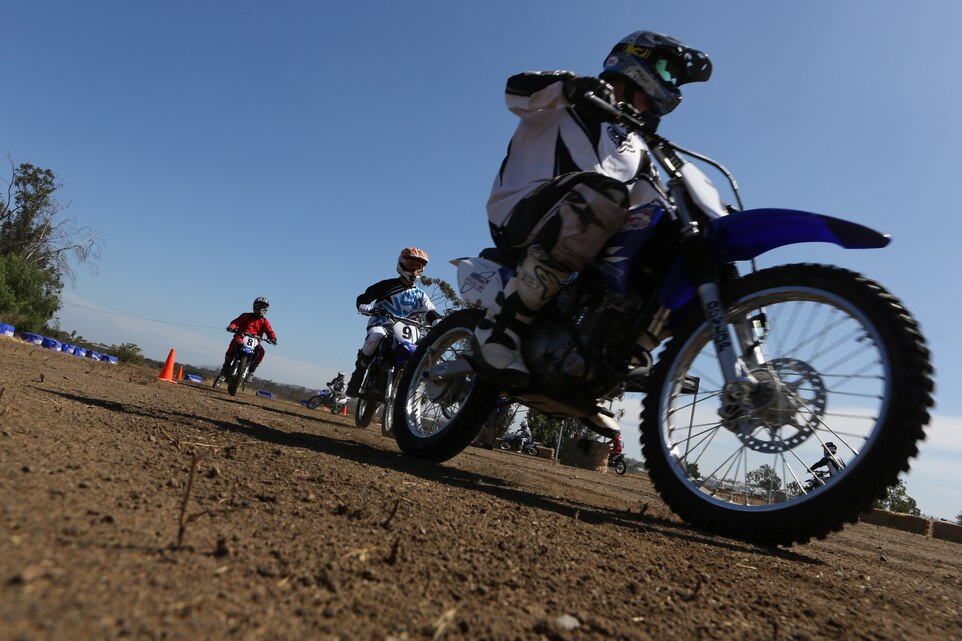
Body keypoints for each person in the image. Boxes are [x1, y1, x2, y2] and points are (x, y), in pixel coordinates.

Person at [475, 31, 711, 437]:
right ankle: (503, 327)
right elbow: (516, 90)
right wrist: (570, 84)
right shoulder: (567, 100)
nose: (671, 84)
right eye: (666, 71)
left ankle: (605, 363)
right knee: (606, 193)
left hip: (586, 235)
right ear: (636, 60)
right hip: (521, 211)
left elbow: (650, 205)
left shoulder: (637, 147)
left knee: (670, 238)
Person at [346, 247, 442, 396]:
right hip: (382, 325)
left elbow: (430, 311)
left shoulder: (420, 295)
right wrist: (364, 305)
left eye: (418, 267)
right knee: (375, 337)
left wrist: (437, 322)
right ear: (402, 263)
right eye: (411, 264)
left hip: (408, 332)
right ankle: (359, 372)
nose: (414, 270)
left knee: (421, 353)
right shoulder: (386, 285)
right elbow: (364, 297)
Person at [220, 296, 278, 383]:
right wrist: (231, 327)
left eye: (263, 307)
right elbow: (236, 322)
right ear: (254, 306)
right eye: (259, 305)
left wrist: (273, 338)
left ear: (266, 309)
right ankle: (226, 367)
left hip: (255, 342)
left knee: (261, 352)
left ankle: (251, 372)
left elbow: (269, 331)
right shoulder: (246, 316)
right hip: (241, 337)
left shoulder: (265, 321)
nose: (261, 308)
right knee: (234, 344)